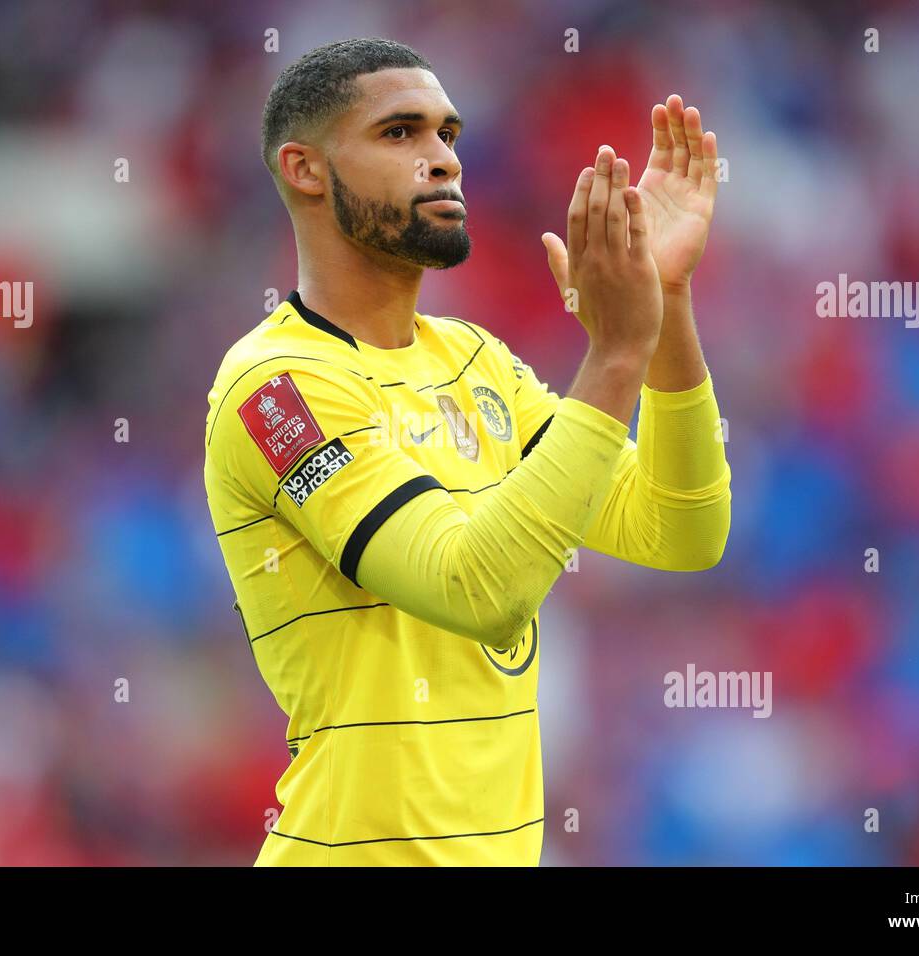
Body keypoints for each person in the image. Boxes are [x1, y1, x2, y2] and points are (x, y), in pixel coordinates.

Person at [203, 37, 731, 865]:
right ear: (305, 169)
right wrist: (616, 355)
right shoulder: (277, 388)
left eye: (447, 135)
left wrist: (662, 305)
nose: (442, 160)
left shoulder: (475, 361)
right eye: (399, 133)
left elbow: (679, 529)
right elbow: (475, 587)